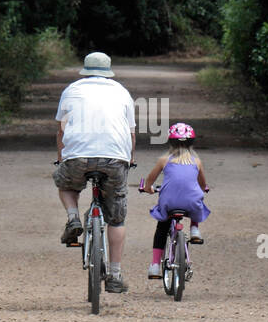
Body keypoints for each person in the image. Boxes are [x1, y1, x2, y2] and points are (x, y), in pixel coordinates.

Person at [53, 51, 137, 293]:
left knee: (66, 184)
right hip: (115, 157)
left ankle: (73, 218)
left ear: (85, 70)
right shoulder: (122, 92)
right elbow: (131, 133)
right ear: (108, 71)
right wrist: (129, 159)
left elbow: (61, 131)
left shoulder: (71, 90)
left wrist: (62, 159)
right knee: (117, 219)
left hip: (77, 156)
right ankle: (115, 275)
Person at [137, 122, 210, 279]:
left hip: (169, 202)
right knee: (197, 199)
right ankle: (195, 229)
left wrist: (148, 188)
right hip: (191, 203)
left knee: (162, 227)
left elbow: (149, 181)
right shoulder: (196, 161)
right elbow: (203, 185)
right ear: (191, 143)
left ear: (170, 141)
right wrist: (203, 189)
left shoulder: (164, 160)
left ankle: (155, 266)